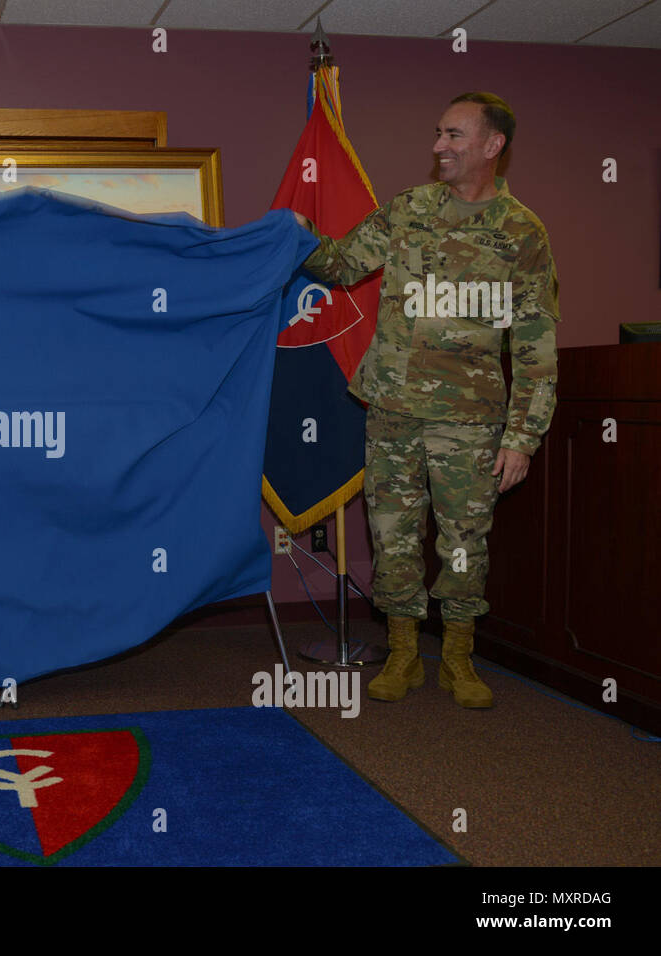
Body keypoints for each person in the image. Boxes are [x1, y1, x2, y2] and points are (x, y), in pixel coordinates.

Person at [295, 92, 559, 708]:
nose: (439, 146)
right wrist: (297, 236)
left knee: (464, 540)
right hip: (391, 409)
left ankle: (459, 658)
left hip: (470, 420)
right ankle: (406, 653)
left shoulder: (522, 232)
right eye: (438, 133)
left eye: (454, 136)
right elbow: (339, 266)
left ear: (492, 146)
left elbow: (536, 340)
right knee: (392, 535)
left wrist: (524, 435)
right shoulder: (408, 209)